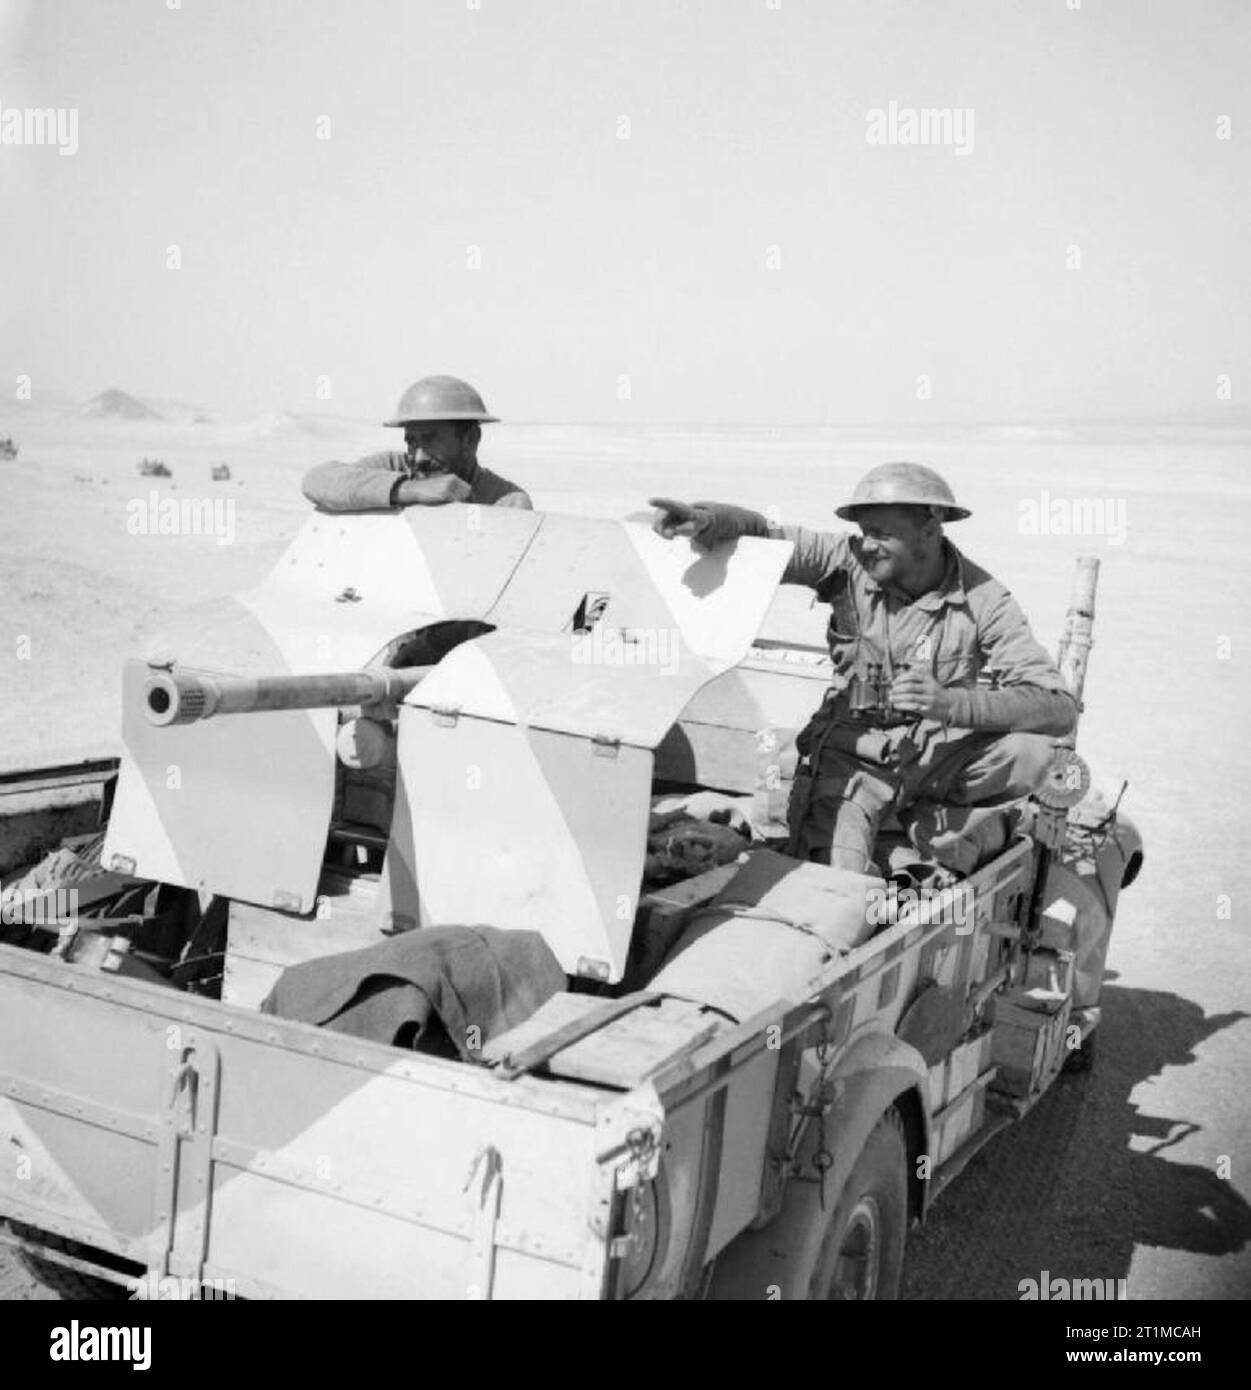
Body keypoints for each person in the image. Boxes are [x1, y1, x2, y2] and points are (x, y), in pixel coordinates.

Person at [650, 463, 1076, 876]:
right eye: (863, 532)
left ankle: (922, 832)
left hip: (935, 758)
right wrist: (707, 520)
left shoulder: (985, 599)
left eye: (881, 534)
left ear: (929, 531)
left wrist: (952, 704)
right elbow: (766, 537)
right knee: (836, 882)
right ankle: (892, 840)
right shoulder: (845, 562)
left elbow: (1057, 708)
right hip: (853, 759)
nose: (867, 544)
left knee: (1033, 755)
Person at [302, 375, 532, 512]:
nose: (419, 457)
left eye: (431, 440)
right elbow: (317, 481)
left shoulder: (505, 501)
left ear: (470, 439)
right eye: (411, 442)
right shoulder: (394, 467)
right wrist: (408, 490)